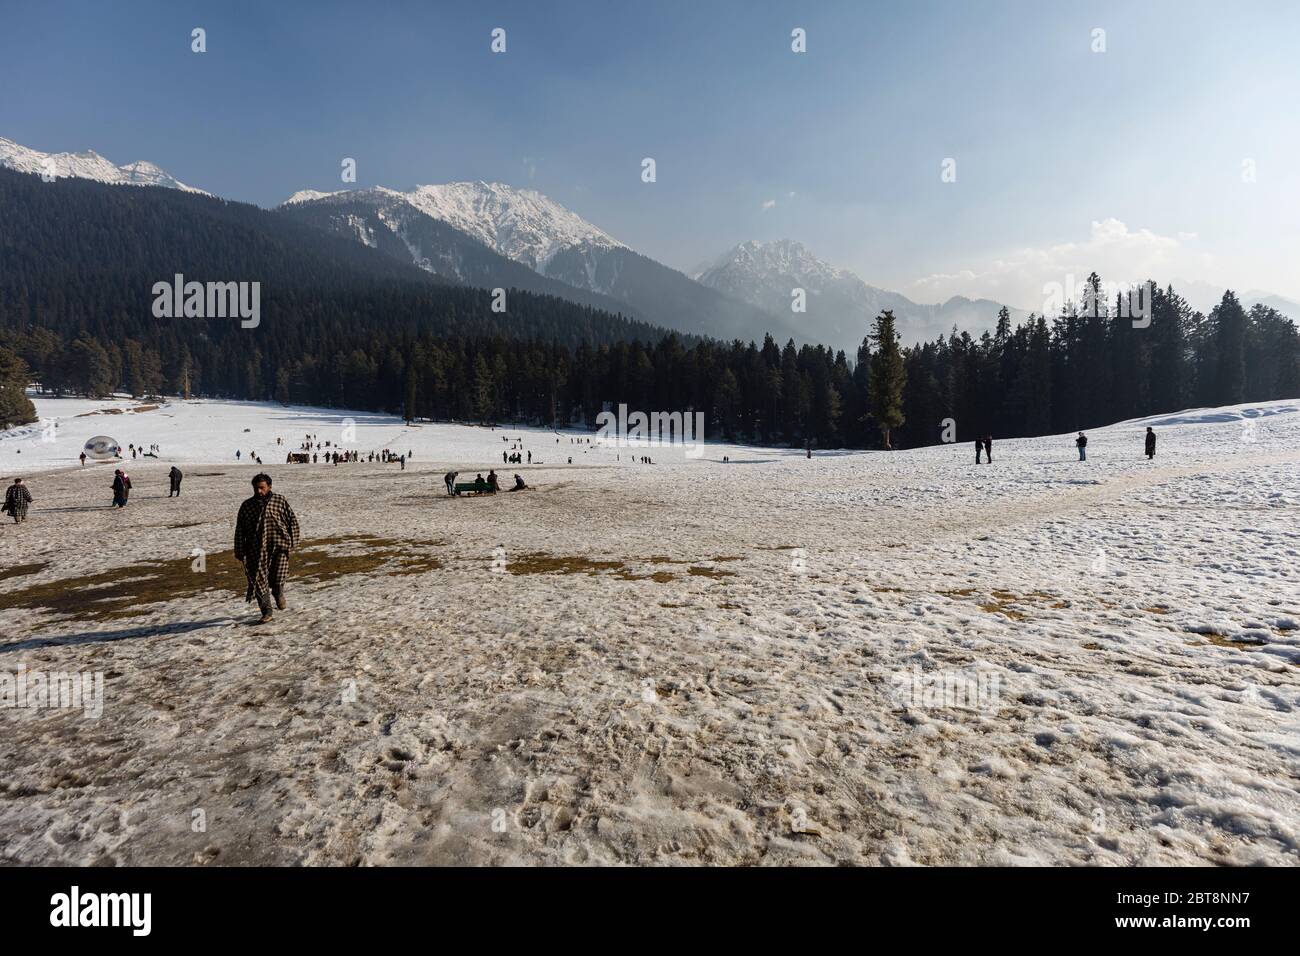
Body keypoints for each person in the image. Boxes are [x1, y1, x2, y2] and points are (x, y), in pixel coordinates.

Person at [233, 473, 300, 625]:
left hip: (280, 545)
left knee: (278, 576)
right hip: (255, 549)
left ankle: (278, 591)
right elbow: (240, 529)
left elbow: (292, 522)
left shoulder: (280, 501)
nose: (258, 491)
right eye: (256, 488)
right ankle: (266, 611)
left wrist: (293, 542)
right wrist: (239, 550)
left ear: (269, 487)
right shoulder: (247, 506)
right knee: (258, 580)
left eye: (262, 488)